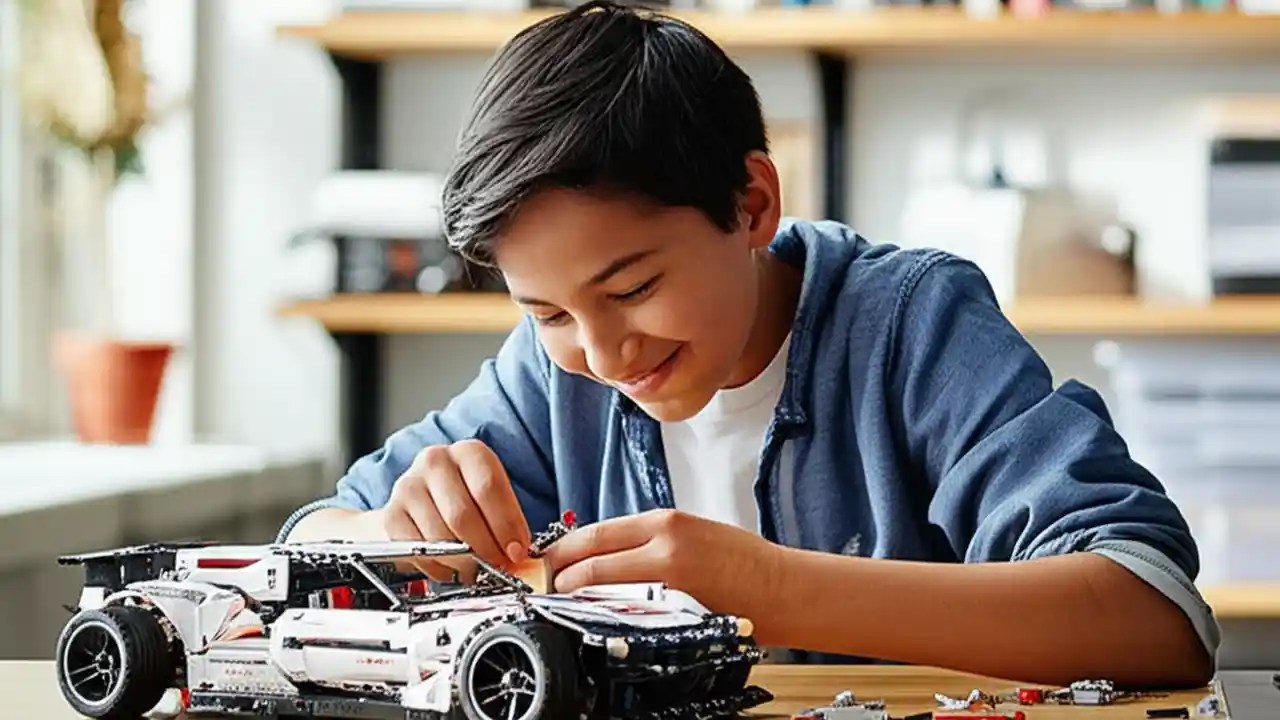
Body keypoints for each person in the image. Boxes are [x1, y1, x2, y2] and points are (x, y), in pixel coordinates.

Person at [280, 0, 1217, 687]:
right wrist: (394, 538)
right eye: (550, 312)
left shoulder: (911, 326)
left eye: (634, 287)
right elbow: (310, 537)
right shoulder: (550, 377)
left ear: (753, 202)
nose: (604, 356)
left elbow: (1152, 613)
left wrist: (762, 586)